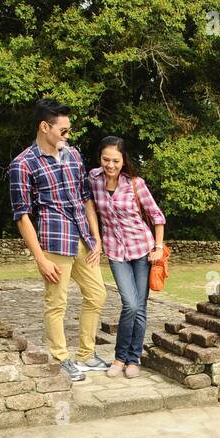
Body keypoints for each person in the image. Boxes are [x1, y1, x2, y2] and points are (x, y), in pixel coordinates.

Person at [8, 99, 110, 382]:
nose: (68, 135)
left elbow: (86, 198)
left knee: (97, 294)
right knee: (57, 303)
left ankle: (86, 355)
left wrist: (96, 238)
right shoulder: (23, 164)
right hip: (54, 241)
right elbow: (22, 215)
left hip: (82, 237)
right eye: (63, 130)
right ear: (45, 127)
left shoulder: (74, 155)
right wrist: (39, 258)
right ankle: (61, 357)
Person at [87, 136, 166, 378]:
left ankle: (133, 359)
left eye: (115, 160)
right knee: (129, 303)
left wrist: (159, 247)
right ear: (100, 158)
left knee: (139, 307)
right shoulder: (93, 179)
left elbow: (157, 216)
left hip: (142, 250)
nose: (110, 165)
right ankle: (119, 358)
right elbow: (88, 207)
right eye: (106, 159)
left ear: (123, 161)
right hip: (115, 251)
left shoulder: (135, 183)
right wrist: (96, 239)